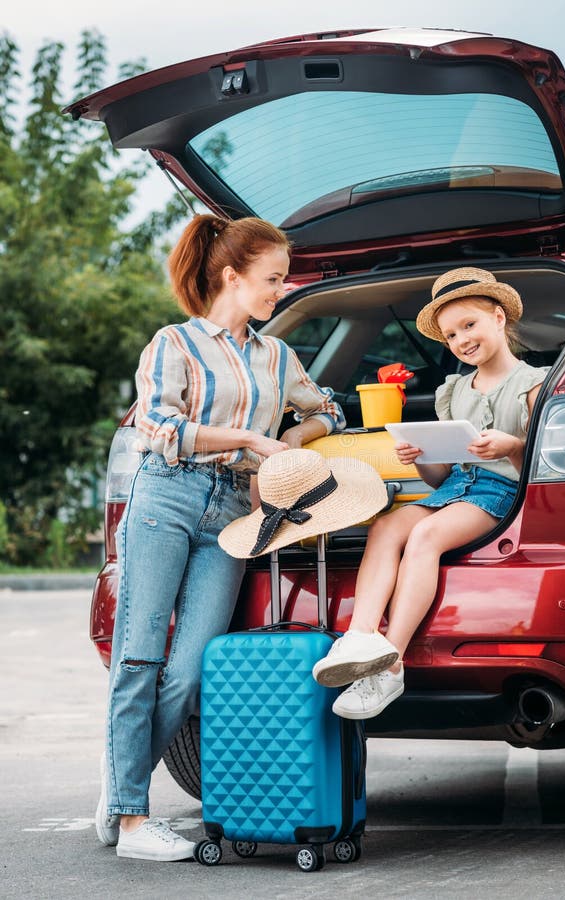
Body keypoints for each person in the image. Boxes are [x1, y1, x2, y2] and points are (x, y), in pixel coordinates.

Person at [95, 214, 345, 861]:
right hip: (167, 494)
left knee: (190, 668)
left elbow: (327, 409)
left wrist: (290, 440)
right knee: (140, 656)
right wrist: (245, 438)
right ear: (232, 275)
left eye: (283, 280)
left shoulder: (276, 356)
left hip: (234, 510)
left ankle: (120, 786)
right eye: (271, 279)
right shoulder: (173, 344)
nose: (279, 292)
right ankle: (129, 821)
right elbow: (158, 425)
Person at [312, 266, 548, 719]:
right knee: (386, 525)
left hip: (501, 492)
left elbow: (533, 473)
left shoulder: (533, 385)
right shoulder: (452, 390)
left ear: (499, 318)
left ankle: (391, 663)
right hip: (458, 488)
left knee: (424, 537)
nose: (461, 340)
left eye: (469, 325)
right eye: (451, 335)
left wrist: (512, 445)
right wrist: (418, 456)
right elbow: (442, 477)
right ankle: (360, 636)